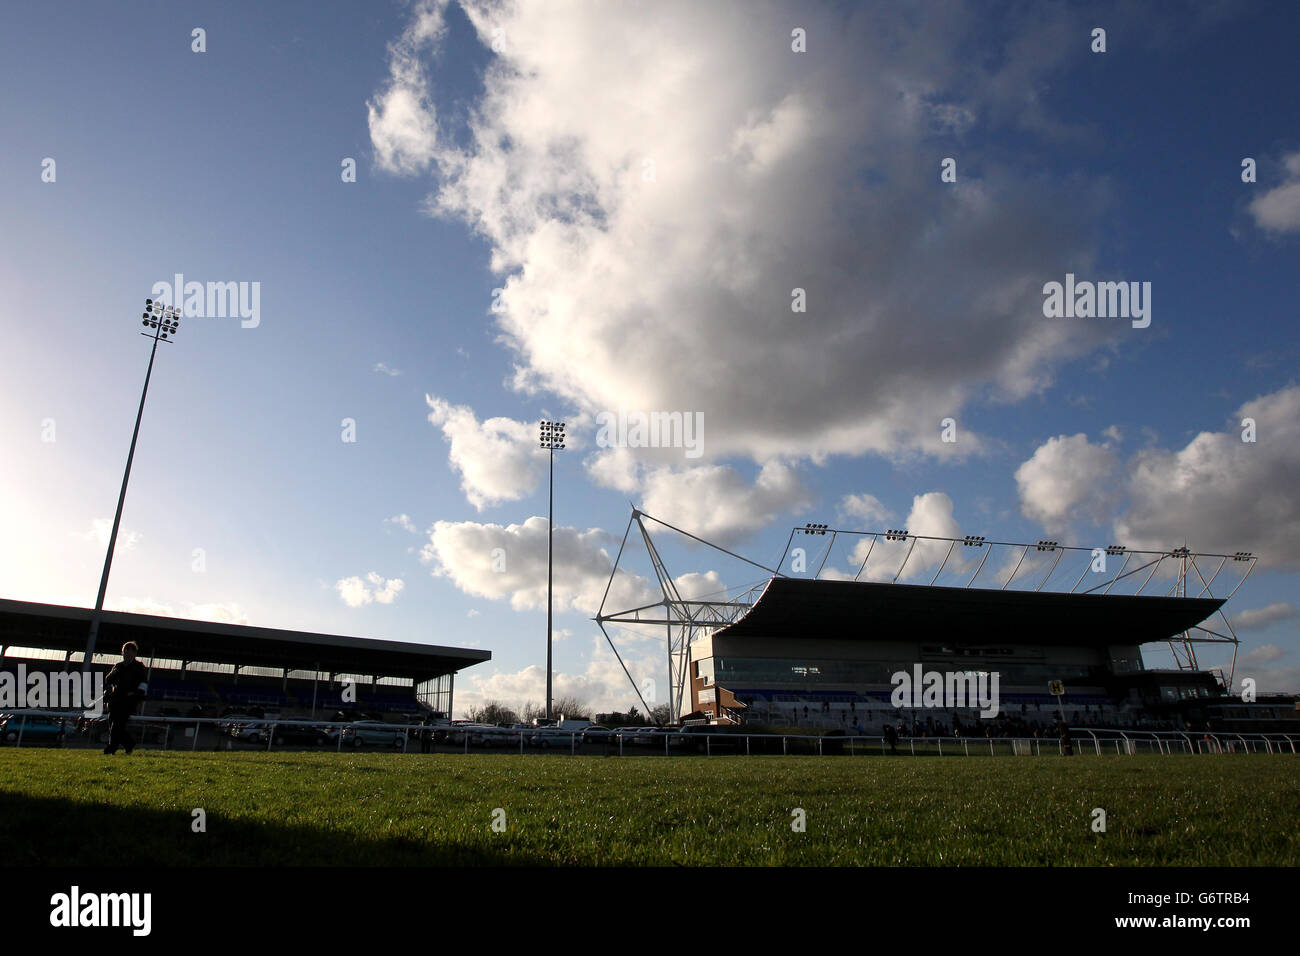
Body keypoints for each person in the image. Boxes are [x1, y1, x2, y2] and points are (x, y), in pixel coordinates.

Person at [103, 641, 148, 755]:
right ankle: (129, 743)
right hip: (116, 699)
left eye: (129, 653)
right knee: (112, 724)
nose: (126, 655)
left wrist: (137, 694)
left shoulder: (139, 667)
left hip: (128, 700)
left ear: (134, 654)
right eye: (125, 653)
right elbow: (108, 680)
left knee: (117, 725)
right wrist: (114, 673)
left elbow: (144, 683)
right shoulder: (118, 666)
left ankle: (111, 749)